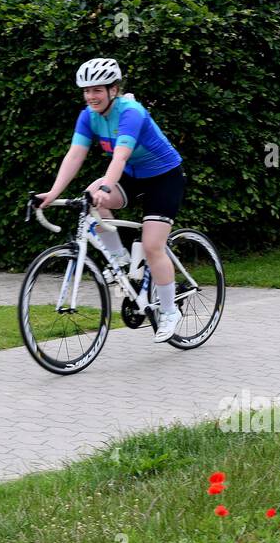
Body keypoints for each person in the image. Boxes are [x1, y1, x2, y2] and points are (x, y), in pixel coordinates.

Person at [35, 58, 186, 343]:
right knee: (91, 201)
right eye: (86, 91)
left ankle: (169, 311)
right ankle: (120, 258)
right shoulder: (88, 116)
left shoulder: (131, 112)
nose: (91, 96)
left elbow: (120, 155)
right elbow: (75, 154)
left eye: (97, 90)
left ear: (113, 89)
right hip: (131, 176)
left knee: (154, 246)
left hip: (164, 176)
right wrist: (54, 192)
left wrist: (105, 184)